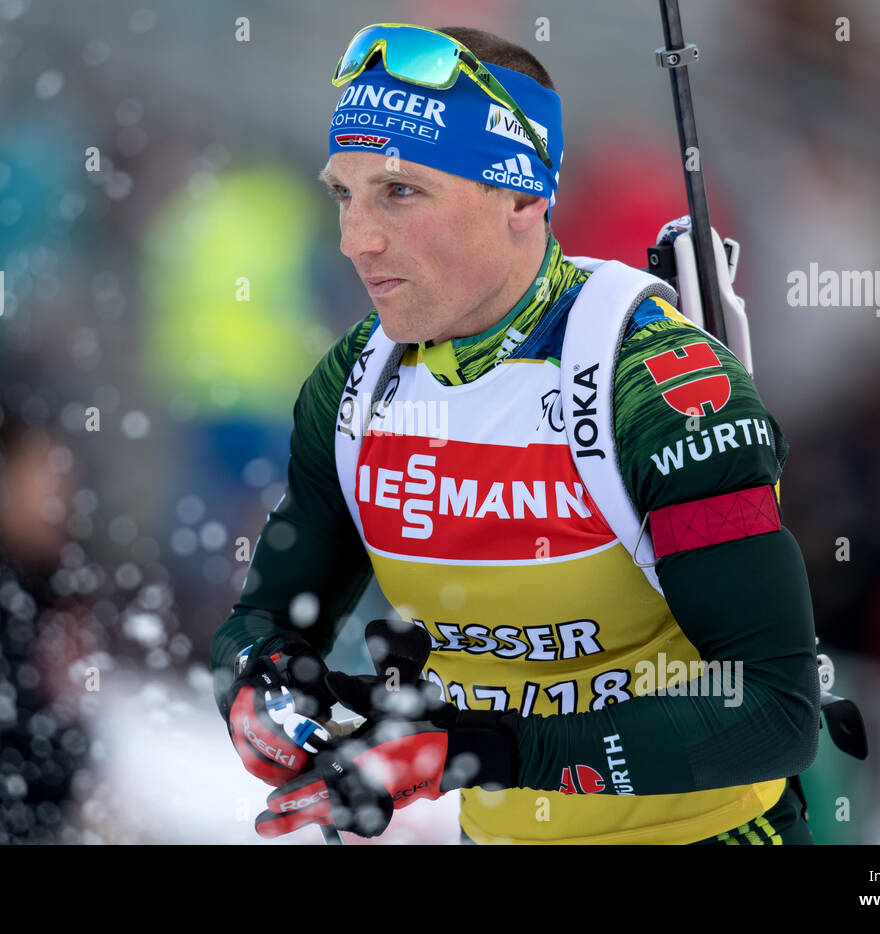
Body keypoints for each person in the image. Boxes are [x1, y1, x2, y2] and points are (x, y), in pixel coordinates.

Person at [210, 23, 820, 844]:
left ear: (524, 199)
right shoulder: (357, 385)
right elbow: (266, 621)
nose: (358, 239)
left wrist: (475, 751)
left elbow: (776, 714)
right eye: (343, 194)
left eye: (400, 192)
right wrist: (263, 684)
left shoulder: (655, 387)